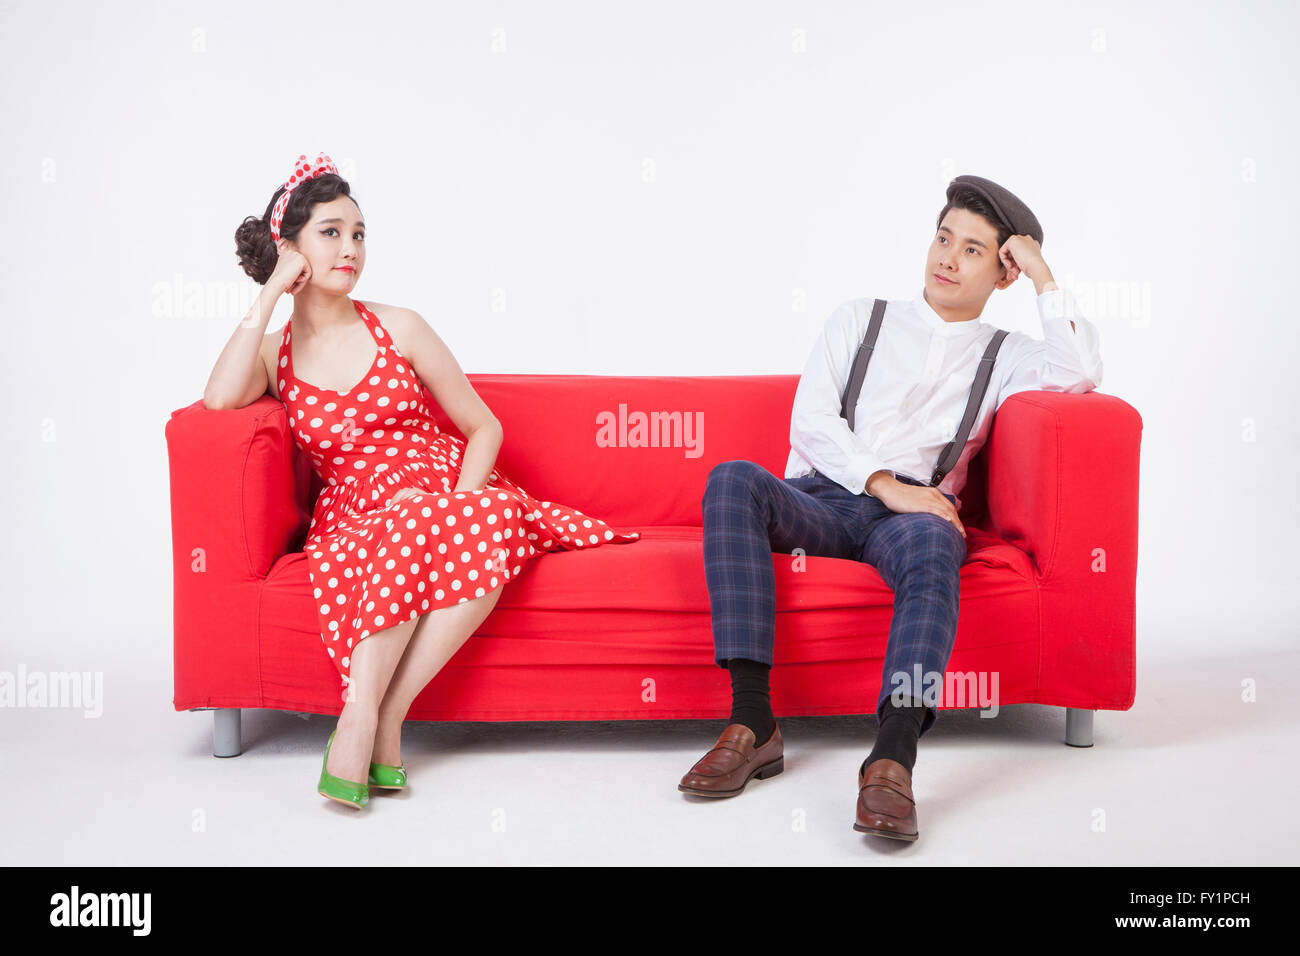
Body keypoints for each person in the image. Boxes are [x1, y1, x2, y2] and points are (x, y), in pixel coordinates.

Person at [205, 152, 641, 811]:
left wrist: (457, 504)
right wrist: (270, 291)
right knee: (414, 517)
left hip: (446, 485)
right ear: (288, 246)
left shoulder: (399, 325)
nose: (350, 248)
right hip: (357, 515)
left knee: (483, 517)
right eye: (330, 232)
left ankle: (374, 717)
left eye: (358, 233)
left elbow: (484, 429)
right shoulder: (274, 352)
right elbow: (216, 402)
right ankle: (370, 723)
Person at [677, 175, 1104, 842]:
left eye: (971, 250)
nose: (947, 258)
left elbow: (1080, 371)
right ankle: (752, 722)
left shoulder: (1007, 355)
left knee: (939, 539)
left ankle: (893, 757)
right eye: (943, 239)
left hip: (912, 523)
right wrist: (884, 483)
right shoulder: (859, 318)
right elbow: (813, 422)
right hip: (824, 499)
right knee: (731, 479)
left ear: (1003, 273)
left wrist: (1046, 277)